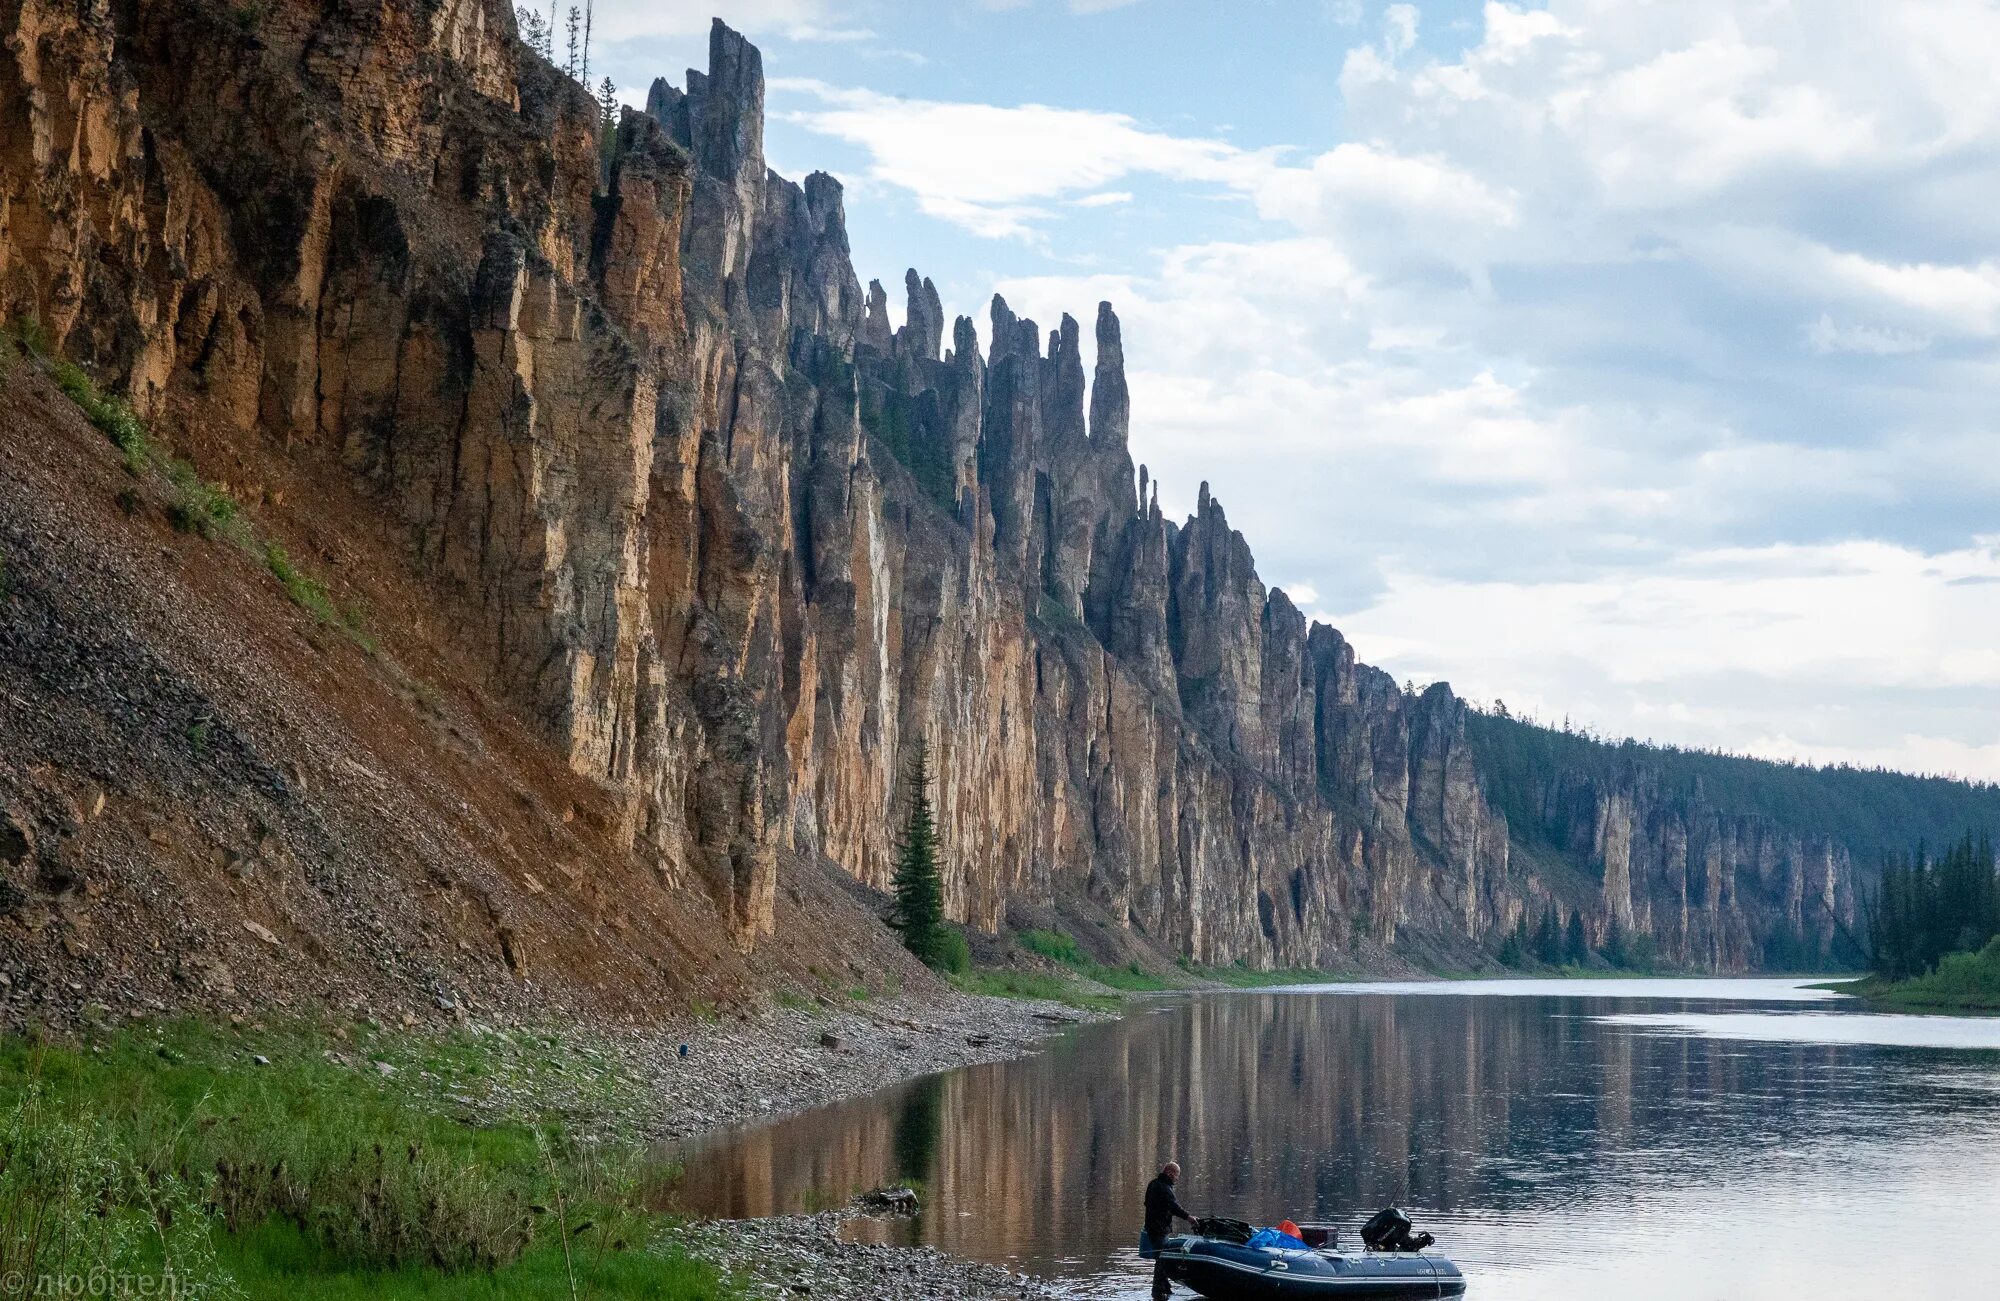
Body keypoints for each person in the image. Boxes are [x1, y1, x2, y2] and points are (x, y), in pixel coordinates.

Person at [1142, 1160, 1196, 1300]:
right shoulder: (1164, 1188)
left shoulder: (1153, 1184)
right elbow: (1173, 1207)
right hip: (1159, 1229)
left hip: (1152, 1227)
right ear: (1170, 1173)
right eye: (1177, 1175)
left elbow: (1148, 1203)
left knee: (1162, 1258)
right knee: (1163, 1259)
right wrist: (1188, 1217)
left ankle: (1163, 1289)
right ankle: (1158, 1290)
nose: (1177, 1178)